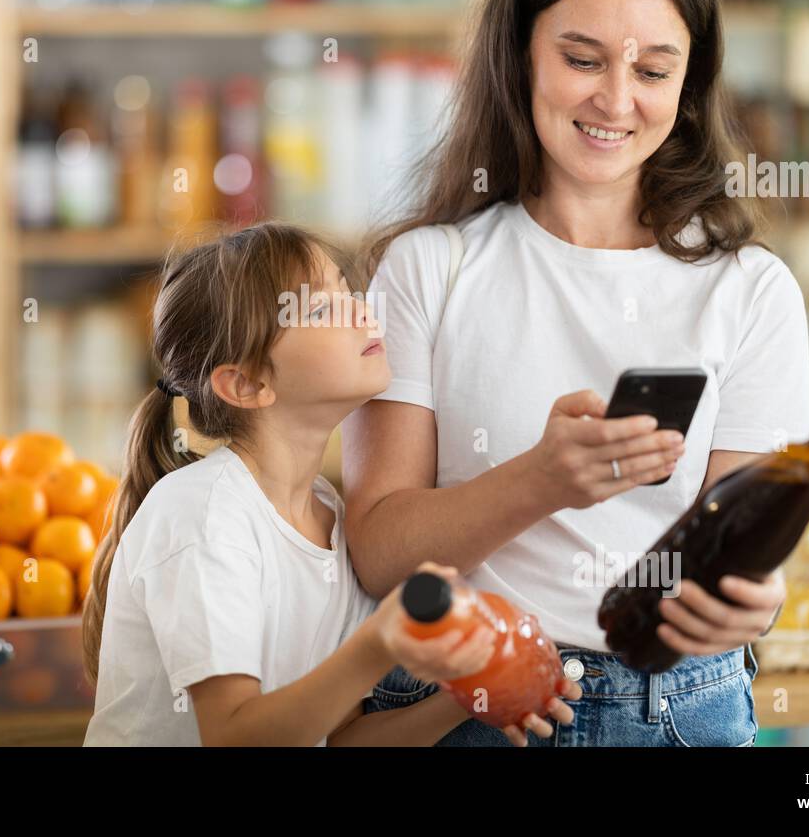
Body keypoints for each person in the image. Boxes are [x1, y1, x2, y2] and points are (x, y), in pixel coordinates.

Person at [342, 0, 809, 747]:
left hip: (679, 708)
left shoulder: (750, 290)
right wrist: (539, 480)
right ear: (520, 52)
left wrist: (753, 601)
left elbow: (742, 555)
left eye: (654, 70)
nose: (616, 99)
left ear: (690, 84)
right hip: (467, 701)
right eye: (582, 58)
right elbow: (378, 554)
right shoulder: (427, 269)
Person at [82, 223, 580, 745]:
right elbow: (234, 738)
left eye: (347, 289)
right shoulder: (203, 515)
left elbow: (338, 738)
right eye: (321, 309)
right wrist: (375, 647)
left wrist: (470, 701)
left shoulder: (329, 516)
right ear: (247, 383)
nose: (363, 309)